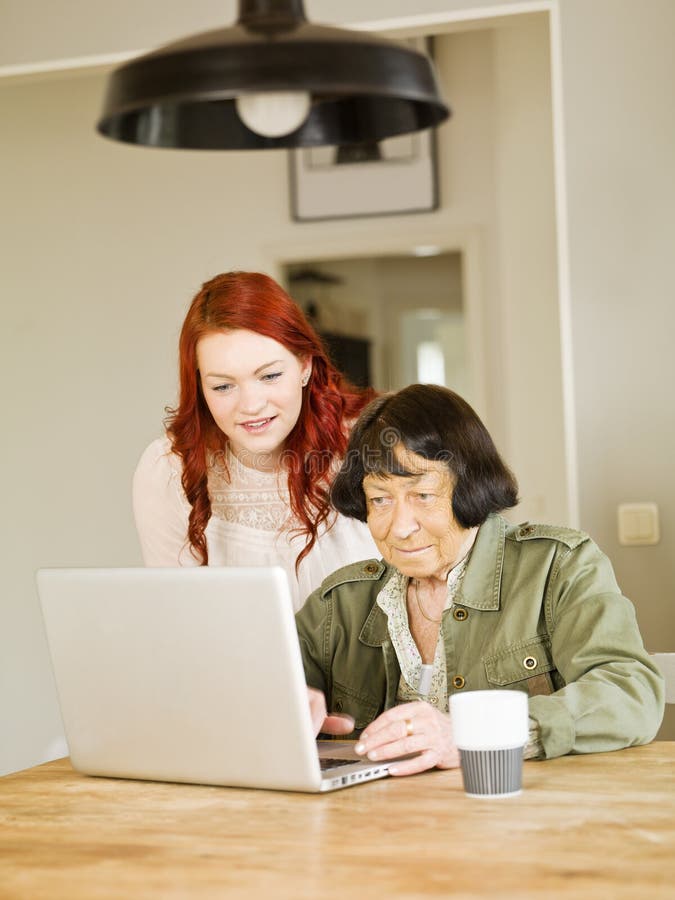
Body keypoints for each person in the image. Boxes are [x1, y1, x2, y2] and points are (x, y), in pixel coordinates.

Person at [296, 384, 665, 776]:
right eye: (380, 500)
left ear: (469, 486)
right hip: (385, 828)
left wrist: (478, 733)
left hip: (526, 822)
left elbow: (630, 691)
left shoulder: (558, 566)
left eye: (422, 494)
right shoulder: (340, 602)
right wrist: (282, 706)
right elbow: (257, 693)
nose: (400, 528)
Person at [132, 271, 379, 610]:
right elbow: (179, 621)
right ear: (200, 386)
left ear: (305, 365)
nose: (250, 406)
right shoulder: (168, 468)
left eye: (270, 376)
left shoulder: (374, 441)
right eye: (222, 386)